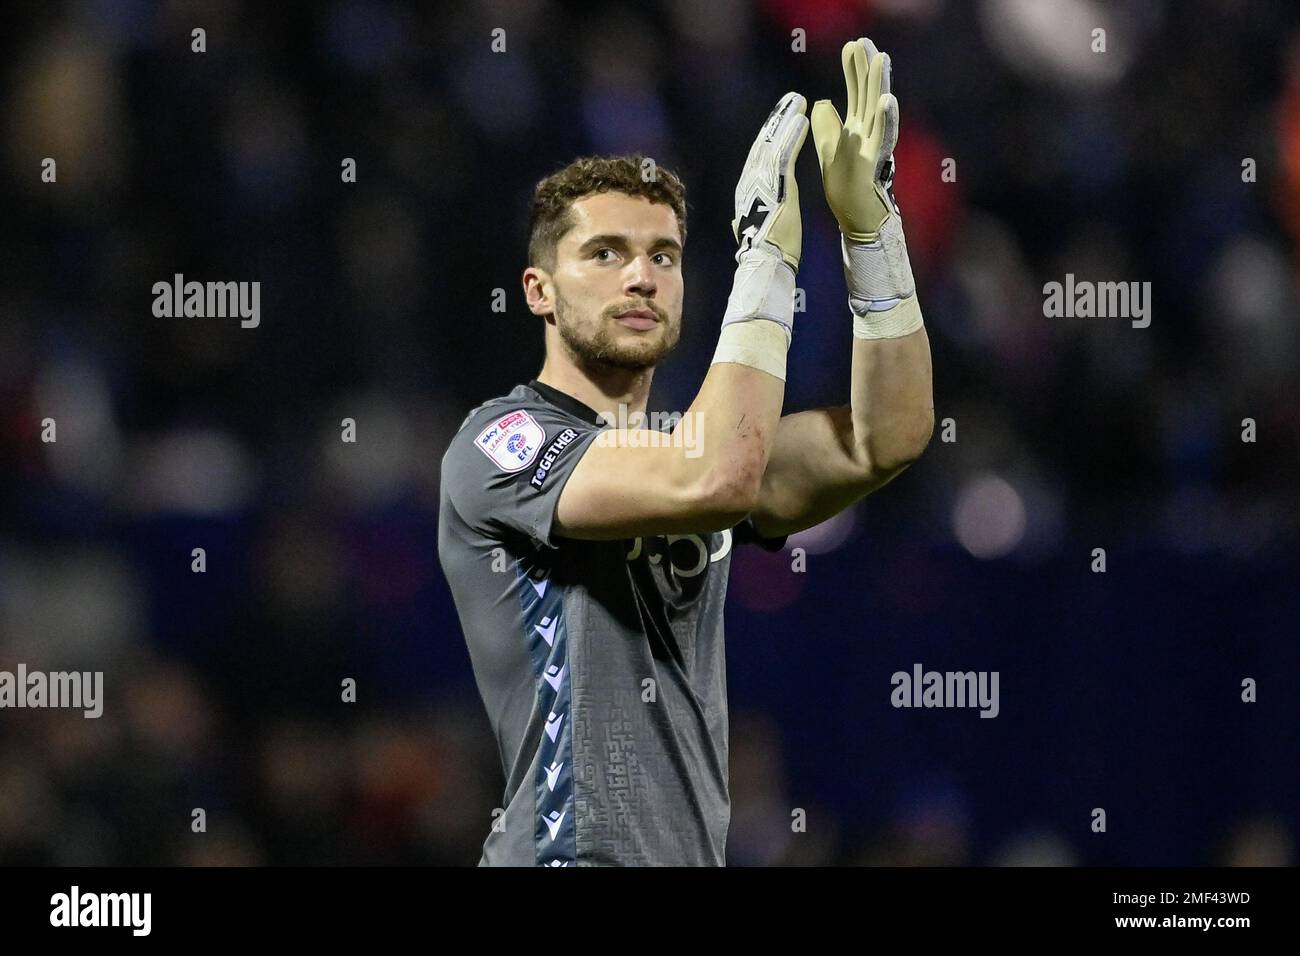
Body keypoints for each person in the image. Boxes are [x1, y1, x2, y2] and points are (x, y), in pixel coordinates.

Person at [438, 37, 934, 866]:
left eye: (661, 255)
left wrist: (870, 230)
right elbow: (717, 474)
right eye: (605, 253)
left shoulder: (681, 441)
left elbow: (890, 435)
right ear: (539, 291)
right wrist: (767, 261)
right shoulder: (498, 443)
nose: (640, 277)